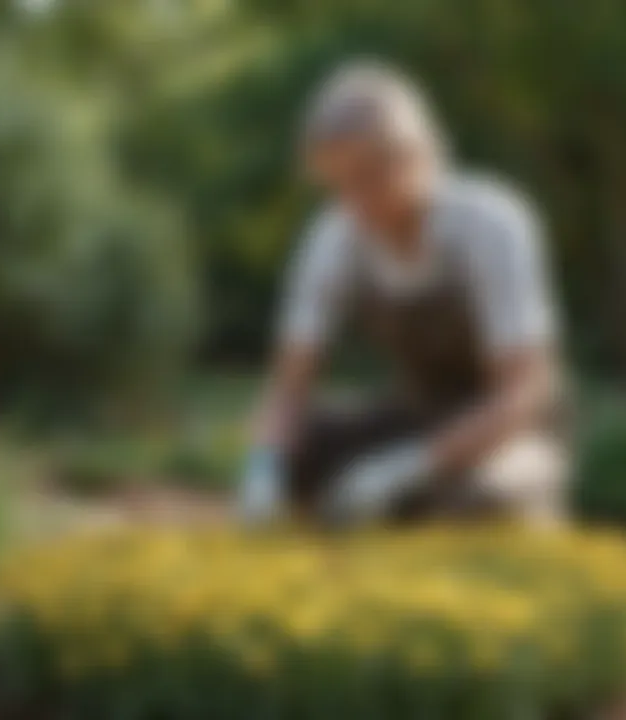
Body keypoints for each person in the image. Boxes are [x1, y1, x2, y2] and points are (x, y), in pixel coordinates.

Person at [239, 60, 568, 528]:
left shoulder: (491, 224)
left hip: (512, 431)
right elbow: (290, 387)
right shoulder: (334, 238)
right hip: (416, 414)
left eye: (369, 178)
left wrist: (411, 467)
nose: (353, 202)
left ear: (417, 157)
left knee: (485, 494)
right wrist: (264, 466)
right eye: (338, 184)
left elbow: (525, 391)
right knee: (303, 451)